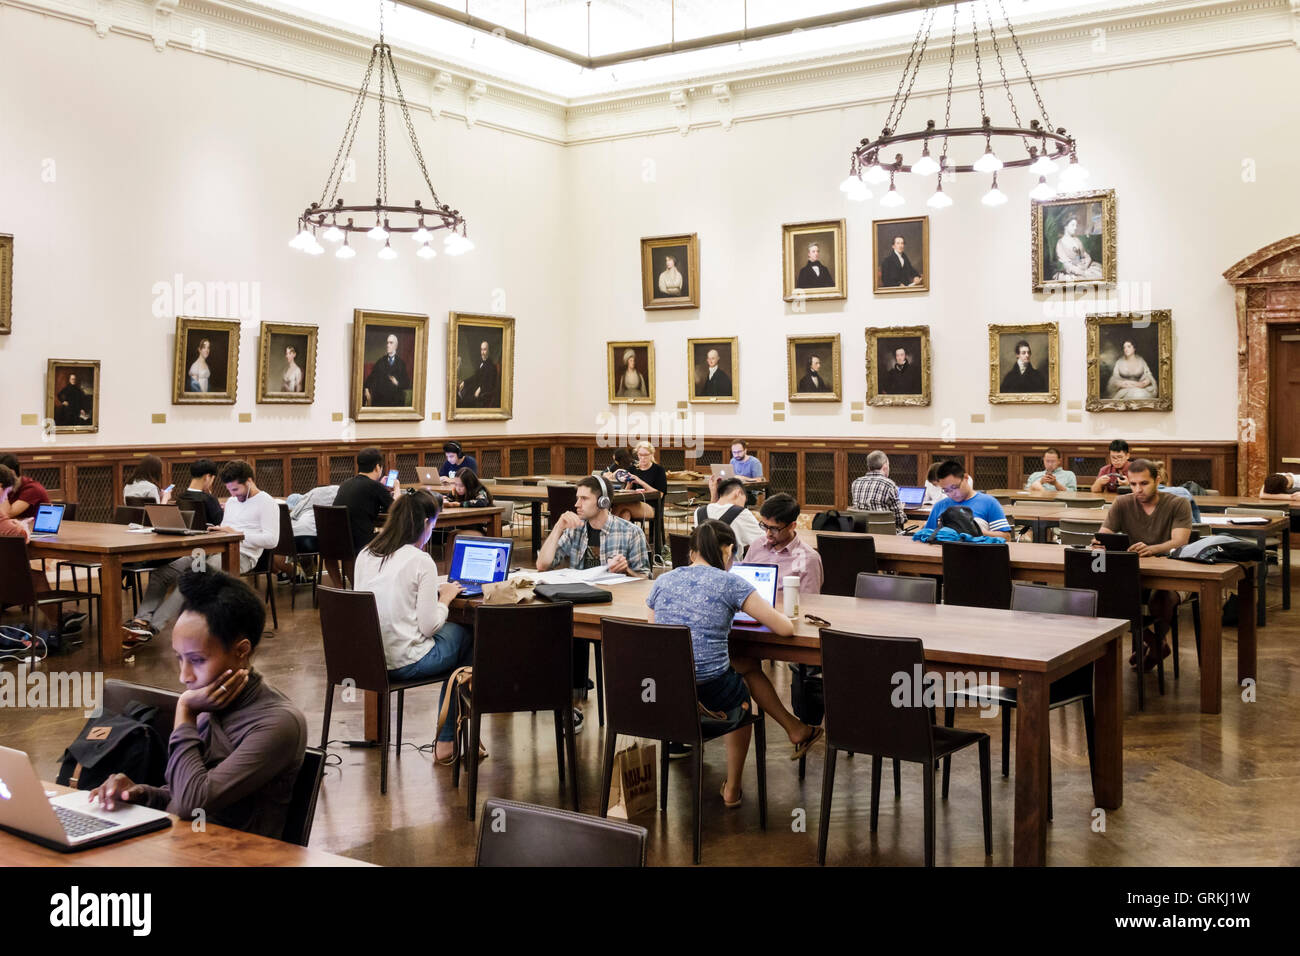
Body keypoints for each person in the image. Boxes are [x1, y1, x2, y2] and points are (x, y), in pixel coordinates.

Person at [89, 569, 307, 839]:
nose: (184, 676)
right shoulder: (211, 700)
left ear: (242, 651)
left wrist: (185, 711)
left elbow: (191, 804)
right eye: (179, 658)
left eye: (198, 660)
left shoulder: (278, 724)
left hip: (234, 856)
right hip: (186, 844)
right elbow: (182, 791)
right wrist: (142, 794)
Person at [646, 520, 824, 806]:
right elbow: (785, 629)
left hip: (667, 689)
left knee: (745, 664)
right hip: (709, 690)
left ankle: (795, 729)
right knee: (741, 688)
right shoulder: (730, 582)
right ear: (727, 550)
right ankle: (732, 788)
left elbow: (652, 634)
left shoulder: (663, 580)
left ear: (693, 552)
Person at [354, 490, 472, 765]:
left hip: (369, 661)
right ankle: (447, 739)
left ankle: (452, 736)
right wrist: (444, 598)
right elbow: (429, 627)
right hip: (406, 662)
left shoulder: (366, 554)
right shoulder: (421, 560)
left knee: (453, 637)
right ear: (427, 524)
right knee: (468, 636)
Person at [122, 460, 281, 647]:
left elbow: (272, 540)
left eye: (236, 490)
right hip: (214, 548)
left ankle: (152, 628)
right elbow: (226, 528)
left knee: (194, 577)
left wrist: (236, 534)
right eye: (230, 490)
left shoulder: (267, 503)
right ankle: (141, 621)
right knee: (162, 574)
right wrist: (217, 530)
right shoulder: (231, 501)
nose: (233, 495)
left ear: (250, 481)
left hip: (241, 554)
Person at [537, 476, 649, 733]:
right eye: (577, 498)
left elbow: (647, 579)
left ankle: (631, 707)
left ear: (603, 501)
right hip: (582, 604)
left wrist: (628, 570)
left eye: (584, 498)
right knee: (565, 629)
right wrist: (558, 527)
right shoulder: (575, 529)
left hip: (616, 608)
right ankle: (572, 705)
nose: (577, 504)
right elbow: (543, 564)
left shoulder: (630, 532)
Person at [1095, 458, 1193, 670]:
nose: (1138, 489)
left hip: (1176, 573)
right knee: (1103, 598)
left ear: (1157, 480)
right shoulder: (1122, 503)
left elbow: (1180, 540)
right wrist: (1099, 544)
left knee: (1161, 597)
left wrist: (1152, 549)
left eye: (1144, 483)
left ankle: (1154, 645)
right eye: (1133, 484)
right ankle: (1155, 643)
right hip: (1134, 574)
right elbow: (1103, 535)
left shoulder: (1178, 504)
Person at [0, 464, 86, 637]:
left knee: (26, 573)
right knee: (34, 576)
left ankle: (59, 620)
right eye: (6, 492)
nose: (5, 497)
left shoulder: (32, 488)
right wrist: (19, 527)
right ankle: (57, 623)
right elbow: (17, 533)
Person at [743, 493, 823, 598]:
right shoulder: (757, 545)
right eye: (765, 526)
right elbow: (742, 584)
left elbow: (810, 603)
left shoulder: (808, 559)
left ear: (792, 526)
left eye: (774, 529)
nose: (768, 534)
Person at [920, 460, 1011, 540]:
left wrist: (976, 532)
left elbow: (1006, 537)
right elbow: (927, 535)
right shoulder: (940, 505)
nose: (952, 493)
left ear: (966, 478)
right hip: (944, 555)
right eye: (946, 490)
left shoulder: (989, 502)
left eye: (955, 487)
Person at [334, 447, 399, 558]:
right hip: (363, 542)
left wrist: (381, 487)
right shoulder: (375, 486)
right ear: (378, 467)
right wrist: (397, 487)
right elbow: (398, 508)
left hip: (340, 540)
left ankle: (354, 576)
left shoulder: (345, 484)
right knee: (397, 536)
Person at [697, 475, 763, 551]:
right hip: (730, 562)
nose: (743, 506)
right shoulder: (741, 513)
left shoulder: (699, 512)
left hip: (701, 563)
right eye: (744, 501)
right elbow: (763, 541)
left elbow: (712, 526)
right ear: (738, 493)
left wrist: (714, 496)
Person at [849, 450, 906, 530]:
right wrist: (901, 509)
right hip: (886, 535)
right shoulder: (889, 485)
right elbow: (899, 520)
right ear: (885, 466)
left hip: (862, 534)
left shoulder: (856, 483)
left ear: (869, 467)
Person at [610, 440, 665, 523]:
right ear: (637, 454)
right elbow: (626, 492)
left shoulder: (659, 470)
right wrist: (629, 485)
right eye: (640, 455)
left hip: (652, 507)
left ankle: (609, 531)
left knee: (619, 506)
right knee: (625, 514)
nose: (643, 458)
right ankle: (624, 535)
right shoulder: (633, 469)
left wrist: (640, 481)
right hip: (635, 502)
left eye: (646, 455)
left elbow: (660, 494)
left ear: (651, 454)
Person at [169, 458, 224, 527]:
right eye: (212, 479)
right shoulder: (209, 499)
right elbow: (220, 522)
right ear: (207, 477)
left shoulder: (180, 497)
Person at [363, 334, 410, 407]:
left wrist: (397, 383)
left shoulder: (401, 363)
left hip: (395, 402)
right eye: (387, 343)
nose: (388, 345)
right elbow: (371, 378)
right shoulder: (380, 361)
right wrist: (366, 390)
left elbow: (407, 383)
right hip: (380, 400)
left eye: (391, 343)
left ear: (396, 346)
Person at [0, 454, 51, 520]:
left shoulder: (32, 489)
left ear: (11, 472)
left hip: (35, 528)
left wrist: (3, 490)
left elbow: (7, 514)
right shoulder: (9, 487)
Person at [457, 340, 500, 408]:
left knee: (463, 401)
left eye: (485, 350)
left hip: (482, 394)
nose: (482, 352)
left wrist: (480, 388)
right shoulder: (481, 363)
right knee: (460, 392)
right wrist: (464, 382)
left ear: (489, 351)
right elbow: (475, 377)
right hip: (475, 389)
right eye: (481, 350)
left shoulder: (491, 366)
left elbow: (490, 384)